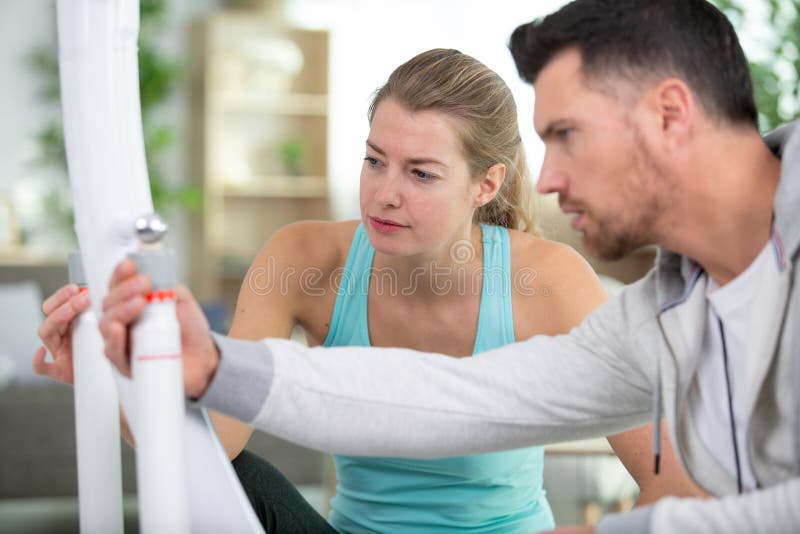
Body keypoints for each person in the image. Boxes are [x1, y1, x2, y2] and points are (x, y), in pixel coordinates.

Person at [34, 48, 701, 533]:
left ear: (486, 185)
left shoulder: (548, 281)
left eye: (421, 173)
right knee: (239, 479)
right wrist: (112, 375)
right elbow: (215, 443)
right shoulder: (301, 257)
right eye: (375, 160)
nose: (385, 193)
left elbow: (669, 472)